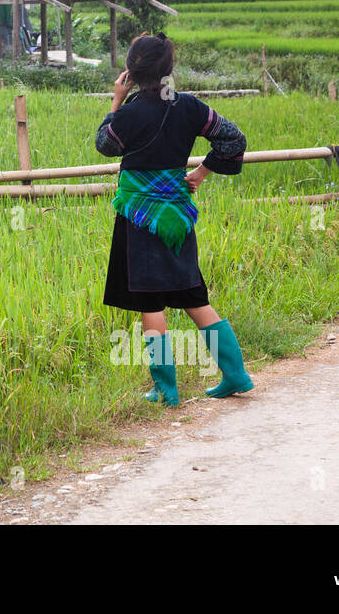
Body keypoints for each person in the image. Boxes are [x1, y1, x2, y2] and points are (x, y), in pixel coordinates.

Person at [94, 34, 253, 406]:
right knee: (192, 293)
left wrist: (117, 99)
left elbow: (105, 143)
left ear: (131, 73)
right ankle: (236, 374)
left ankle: (166, 389)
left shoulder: (129, 114)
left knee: (151, 301)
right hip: (178, 217)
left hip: (140, 217)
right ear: (168, 71)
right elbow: (233, 140)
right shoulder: (190, 107)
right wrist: (200, 173)